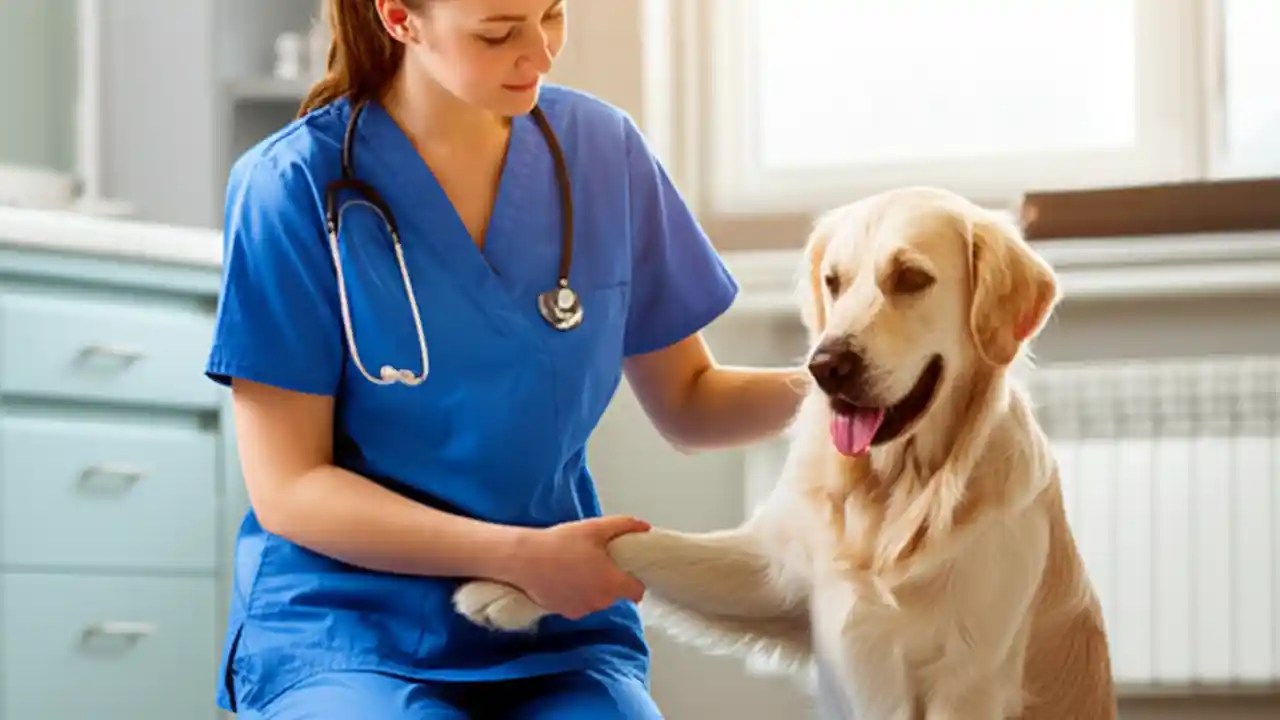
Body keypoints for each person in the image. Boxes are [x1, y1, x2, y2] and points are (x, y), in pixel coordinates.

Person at [206, 0, 809, 717]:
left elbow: (691, 401)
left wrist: (854, 393)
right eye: (498, 32)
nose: (541, 52)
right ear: (401, 18)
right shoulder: (292, 183)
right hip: (348, 626)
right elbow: (291, 486)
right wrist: (518, 555)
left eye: (552, 14)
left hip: (548, 627)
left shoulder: (602, 152)